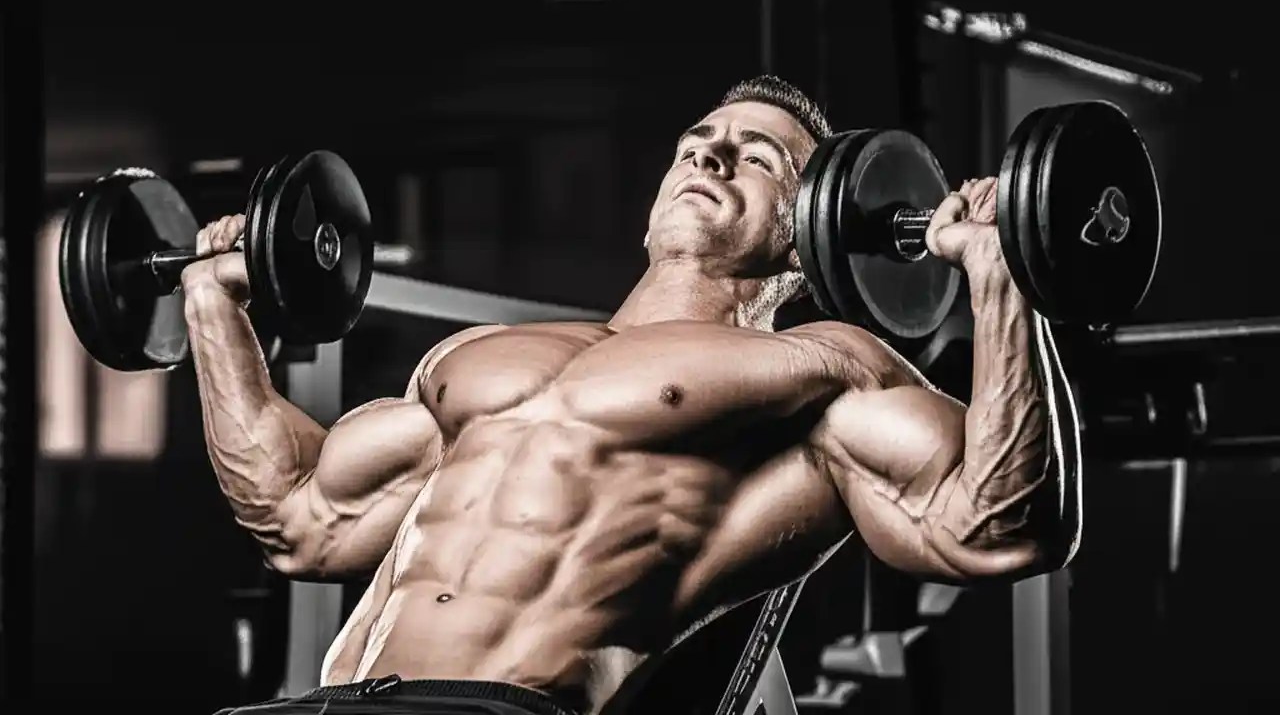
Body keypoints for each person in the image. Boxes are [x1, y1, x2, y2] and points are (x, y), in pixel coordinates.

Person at [184, 75, 1078, 715]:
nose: (711, 153)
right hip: (327, 706)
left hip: (502, 707)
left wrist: (1005, 283)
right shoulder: (484, 357)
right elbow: (295, 514)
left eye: (757, 157)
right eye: (699, 141)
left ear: (809, 239)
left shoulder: (819, 367)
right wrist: (212, 304)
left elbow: (994, 525)